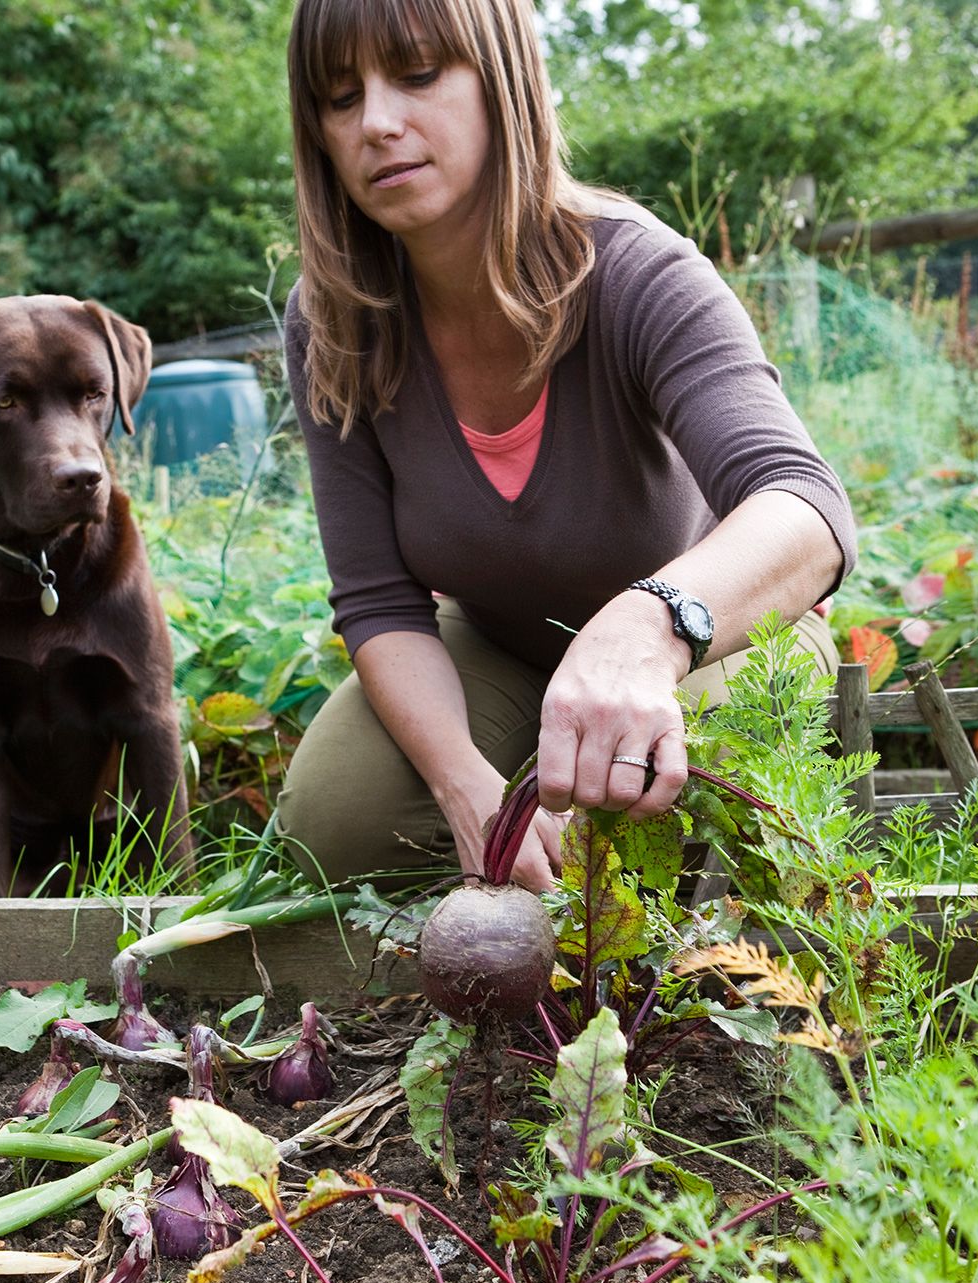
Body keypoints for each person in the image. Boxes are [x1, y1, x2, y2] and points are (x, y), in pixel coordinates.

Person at [274, 0, 856, 892]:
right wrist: (464, 786)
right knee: (336, 821)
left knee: (630, 799)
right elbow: (378, 601)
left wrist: (646, 626)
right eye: (341, 96)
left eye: (419, 75)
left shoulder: (636, 274)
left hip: (721, 642)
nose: (378, 123)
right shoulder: (337, 324)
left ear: (500, 79)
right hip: (506, 641)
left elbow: (807, 510)